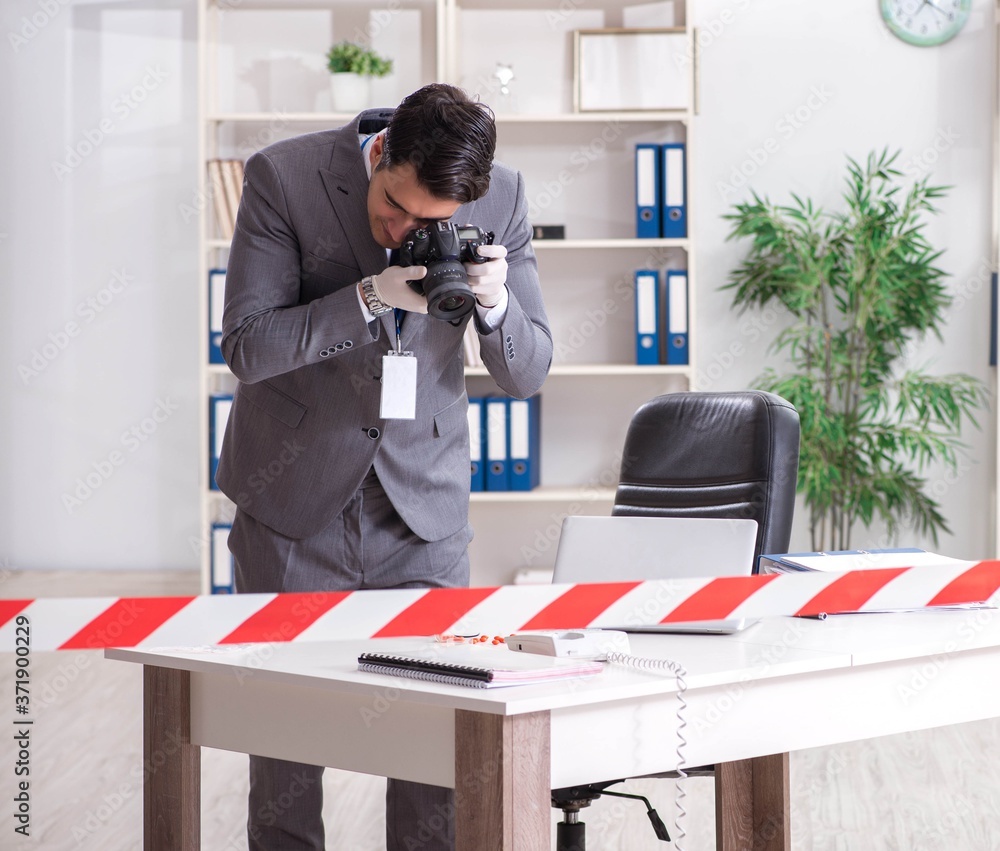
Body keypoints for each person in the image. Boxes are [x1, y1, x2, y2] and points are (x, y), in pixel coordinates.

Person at [217, 83, 552, 851]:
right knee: (286, 741)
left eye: (427, 224)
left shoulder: (503, 196)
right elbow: (247, 346)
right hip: (292, 502)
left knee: (436, 748)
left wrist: (496, 305)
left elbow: (528, 372)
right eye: (395, 206)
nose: (402, 230)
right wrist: (367, 294)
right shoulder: (284, 177)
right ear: (381, 154)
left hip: (423, 514)